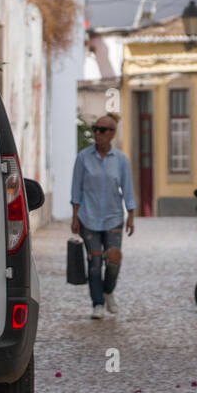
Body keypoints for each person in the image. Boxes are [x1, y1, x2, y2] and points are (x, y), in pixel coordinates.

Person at [70, 114, 135, 319]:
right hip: (88, 217)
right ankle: (97, 303)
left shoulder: (121, 160)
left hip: (113, 216)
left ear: (112, 134)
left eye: (102, 130)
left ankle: (108, 291)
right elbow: (76, 189)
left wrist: (131, 215)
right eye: (95, 128)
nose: (97, 133)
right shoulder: (83, 158)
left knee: (114, 258)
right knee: (95, 263)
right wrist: (74, 217)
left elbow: (127, 188)